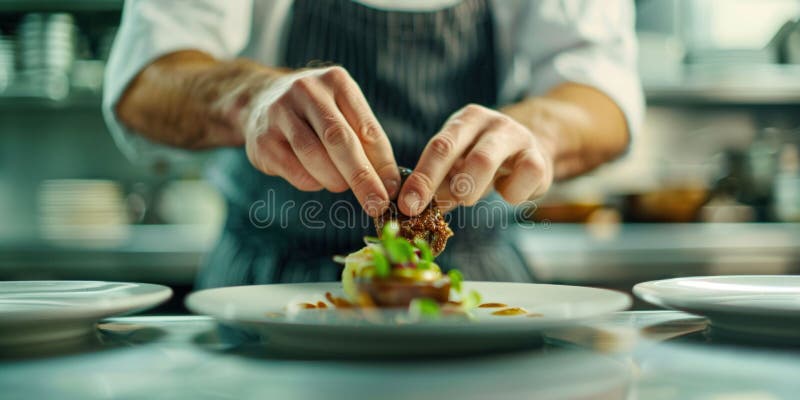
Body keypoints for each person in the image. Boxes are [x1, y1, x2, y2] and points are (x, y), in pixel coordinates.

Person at [103, 0, 643, 289]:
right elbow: (142, 84)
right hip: (266, 283)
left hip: (475, 283)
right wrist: (250, 97)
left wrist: (540, 131)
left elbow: (604, 94)